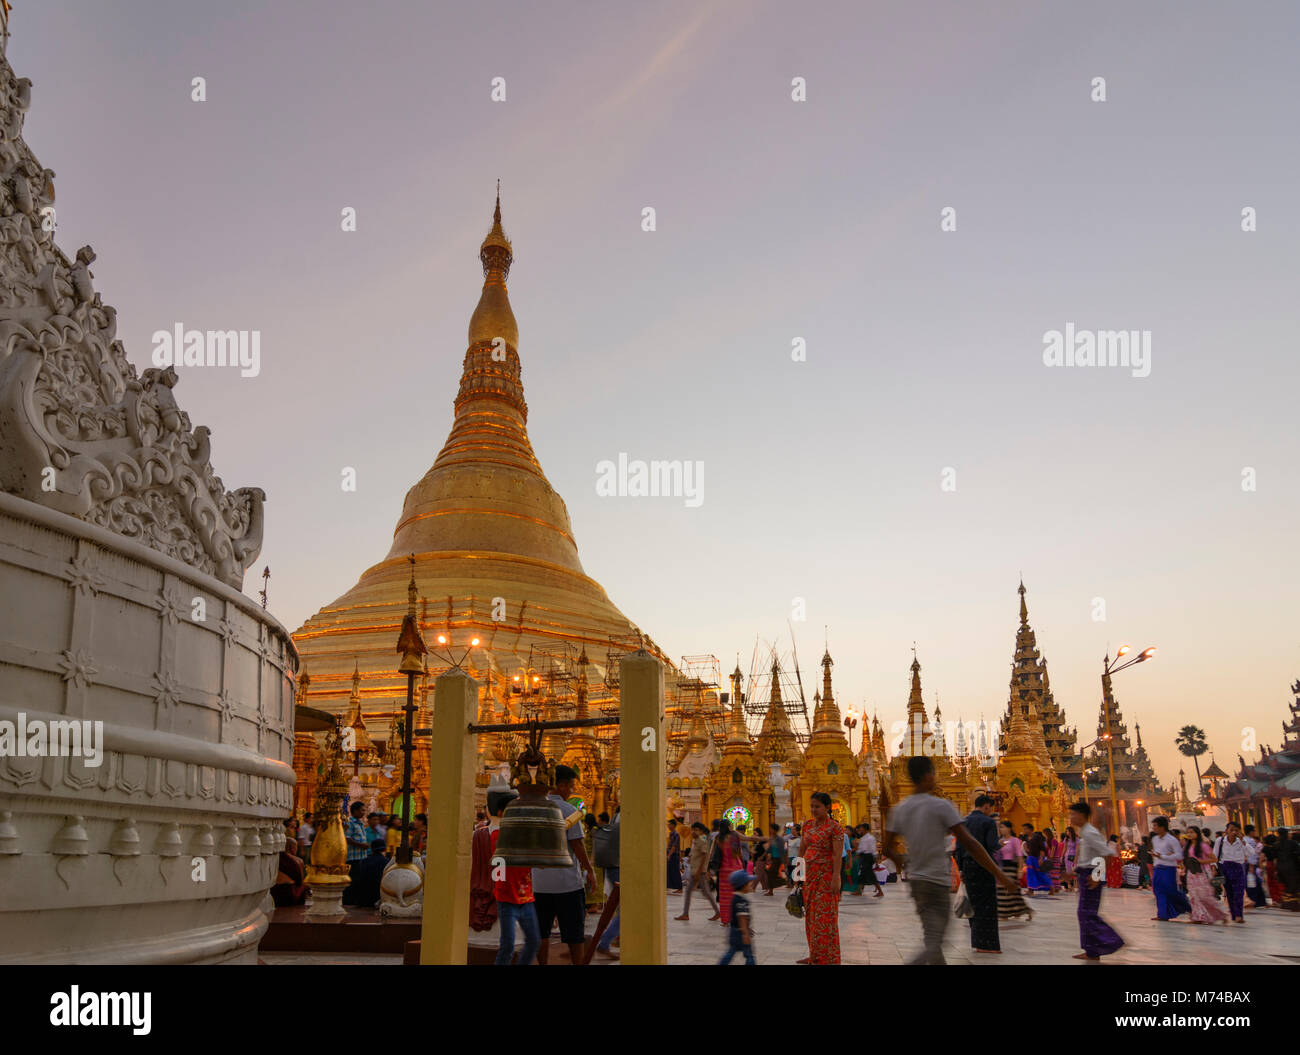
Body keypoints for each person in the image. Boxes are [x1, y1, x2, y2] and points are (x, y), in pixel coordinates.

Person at [882, 757, 1017, 965]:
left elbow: (886, 847)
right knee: (936, 941)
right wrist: (999, 874)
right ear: (928, 776)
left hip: (917, 883)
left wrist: (903, 862)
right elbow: (970, 843)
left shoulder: (901, 808)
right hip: (936, 881)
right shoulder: (941, 806)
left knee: (932, 938)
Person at [533, 765, 596, 965]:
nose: (571, 791)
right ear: (560, 786)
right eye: (570, 786)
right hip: (567, 884)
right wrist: (590, 870)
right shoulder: (569, 811)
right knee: (574, 934)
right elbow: (577, 845)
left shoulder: (534, 809)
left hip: (539, 883)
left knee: (541, 932)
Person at [487, 789, 540, 965]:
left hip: (527, 896)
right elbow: (498, 869)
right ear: (501, 813)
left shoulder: (526, 835)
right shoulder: (497, 835)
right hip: (507, 897)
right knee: (507, 946)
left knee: (534, 942)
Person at [1069, 802, 1124, 961]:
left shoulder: (1090, 832)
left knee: (1087, 914)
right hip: (1086, 873)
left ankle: (1112, 940)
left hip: (1091, 875)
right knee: (1084, 914)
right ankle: (1092, 951)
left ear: (1082, 815)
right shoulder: (1085, 832)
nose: (1071, 817)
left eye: (1073, 814)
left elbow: (1107, 853)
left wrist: (1097, 875)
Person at [797, 791, 843, 965]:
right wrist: (798, 874)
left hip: (826, 876)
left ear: (827, 807)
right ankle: (814, 954)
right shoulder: (808, 825)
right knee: (811, 917)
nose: (814, 810)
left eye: (817, 806)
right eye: (812, 806)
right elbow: (801, 850)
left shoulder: (835, 828)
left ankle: (827, 957)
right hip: (810, 876)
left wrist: (836, 877)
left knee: (825, 918)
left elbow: (837, 855)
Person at [958, 794, 1003, 953]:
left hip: (968, 866)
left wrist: (961, 869)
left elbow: (959, 847)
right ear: (985, 806)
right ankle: (989, 945)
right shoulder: (988, 821)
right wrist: (1000, 844)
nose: (989, 810)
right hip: (984, 865)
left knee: (974, 904)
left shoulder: (964, 822)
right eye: (989, 807)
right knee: (988, 905)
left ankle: (978, 943)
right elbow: (991, 845)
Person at [1150, 816, 1192, 921]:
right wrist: (1157, 857)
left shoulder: (1171, 840)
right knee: (1158, 891)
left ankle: (1188, 907)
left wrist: (1163, 856)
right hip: (1158, 868)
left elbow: (1179, 856)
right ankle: (1162, 914)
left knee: (1171, 891)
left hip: (1169, 868)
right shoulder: (1154, 839)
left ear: (1162, 827)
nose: (1153, 828)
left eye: (1155, 826)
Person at [676, 821, 719, 921]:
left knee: (700, 892)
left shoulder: (702, 840)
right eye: (692, 830)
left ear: (701, 831)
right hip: (695, 871)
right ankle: (717, 912)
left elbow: (705, 855)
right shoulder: (696, 841)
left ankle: (686, 914)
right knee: (704, 892)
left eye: (696, 830)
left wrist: (699, 871)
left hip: (698, 872)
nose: (693, 832)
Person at [1184, 828, 1228, 924]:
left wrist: (1201, 862)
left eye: (1192, 832)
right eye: (1188, 832)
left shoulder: (1203, 846)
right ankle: (1199, 916)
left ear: (1198, 834)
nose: (1189, 834)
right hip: (1192, 873)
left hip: (1202, 872)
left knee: (1204, 896)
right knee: (1194, 895)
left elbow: (1214, 859)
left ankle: (1221, 914)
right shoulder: (1188, 846)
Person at [1213, 821, 1248, 924]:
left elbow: (1251, 853)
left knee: (1239, 892)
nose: (1233, 832)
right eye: (1231, 829)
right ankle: (1233, 913)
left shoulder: (1241, 841)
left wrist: (1243, 842)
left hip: (1238, 867)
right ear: (1226, 830)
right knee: (1229, 893)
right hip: (1225, 867)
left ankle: (1238, 915)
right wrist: (1214, 868)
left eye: (1236, 830)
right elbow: (1215, 854)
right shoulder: (1220, 840)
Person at [996, 820, 1032, 921]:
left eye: (1003, 827)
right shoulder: (1000, 841)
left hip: (1011, 868)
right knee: (1008, 892)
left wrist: (1020, 870)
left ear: (1009, 828)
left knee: (1008, 891)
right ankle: (1016, 911)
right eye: (1000, 827)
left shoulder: (1014, 840)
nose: (1001, 829)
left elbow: (1019, 855)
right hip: (1002, 868)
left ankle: (1004, 914)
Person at [718, 869, 756, 965]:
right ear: (743, 886)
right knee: (749, 955)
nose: (751, 885)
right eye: (749, 883)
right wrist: (745, 933)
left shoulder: (735, 898)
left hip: (734, 931)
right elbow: (742, 918)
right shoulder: (741, 901)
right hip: (740, 933)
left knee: (731, 952)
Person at [713, 819, 745, 927]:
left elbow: (714, 853)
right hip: (735, 868)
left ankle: (725, 920)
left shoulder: (718, 838)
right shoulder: (734, 837)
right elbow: (738, 852)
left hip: (723, 870)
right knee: (735, 895)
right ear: (729, 827)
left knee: (724, 897)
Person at [342, 839, 387, 907]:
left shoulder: (363, 861)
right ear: (385, 849)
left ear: (372, 850)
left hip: (362, 899)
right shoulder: (386, 862)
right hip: (377, 898)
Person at [270, 836, 307, 907]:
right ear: (292, 848)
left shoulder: (275, 858)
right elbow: (299, 881)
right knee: (306, 885)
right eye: (296, 847)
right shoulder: (298, 860)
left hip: (274, 892)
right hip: (289, 893)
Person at [856, 823, 883, 898]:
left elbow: (873, 850)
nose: (860, 830)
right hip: (864, 856)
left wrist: (876, 861)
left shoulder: (870, 838)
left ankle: (880, 891)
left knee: (870, 874)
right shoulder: (863, 838)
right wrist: (858, 854)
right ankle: (859, 891)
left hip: (868, 857)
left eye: (861, 828)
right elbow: (861, 848)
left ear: (865, 829)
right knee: (862, 874)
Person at [1022, 825, 1052, 895]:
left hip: (1037, 858)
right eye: (1024, 829)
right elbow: (1029, 849)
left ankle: (1051, 887)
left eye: (1026, 829)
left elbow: (1042, 848)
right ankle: (1030, 890)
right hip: (1030, 858)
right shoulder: (1026, 838)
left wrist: (1041, 858)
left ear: (1030, 829)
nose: (1024, 831)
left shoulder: (1037, 837)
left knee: (1041, 874)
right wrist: (1026, 849)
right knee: (1030, 874)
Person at [1242, 824, 1266, 908]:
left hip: (1245, 864)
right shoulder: (1251, 841)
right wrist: (1252, 866)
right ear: (1251, 832)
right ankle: (1255, 901)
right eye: (1254, 831)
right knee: (1253, 883)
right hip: (1250, 864)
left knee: (1252, 882)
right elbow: (1251, 853)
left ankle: (1258, 901)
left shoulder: (1243, 840)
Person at [765, 823, 786, 894]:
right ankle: (771, 889)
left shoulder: (779, 839)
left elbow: (782, 850)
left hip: (778, 859)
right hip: (773, 858)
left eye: (771, 829)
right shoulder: (771, 838)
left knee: (770, 873)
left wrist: (783, 861)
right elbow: (770, 849)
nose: (770, 830)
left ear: (774, 830)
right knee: (771, 873)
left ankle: (783, 881)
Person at [667, 819, 683, 894]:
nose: (668, 826)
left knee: (676, 871)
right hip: (671, 854)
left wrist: (669, 855)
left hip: (674, 855)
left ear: (673, 825)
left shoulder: (676, 834)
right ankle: (671, 886)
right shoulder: (671, 834)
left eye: (669, 824)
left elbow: (674, 846)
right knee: (670, 871)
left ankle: (680, 888)